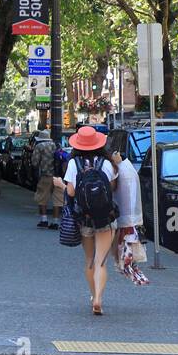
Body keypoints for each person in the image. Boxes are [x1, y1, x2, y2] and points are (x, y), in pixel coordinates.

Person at [54, 126, 118, 315]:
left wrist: (60, 185)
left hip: (84, 218)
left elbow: (71, 192)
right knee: (101, 261)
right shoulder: (107, 164)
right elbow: (112, 188)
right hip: (106, 218)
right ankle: (99, 298)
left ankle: (93, 296)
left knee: (89, 259)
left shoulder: (74, 164)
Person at [106, 131, 149, 287]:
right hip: (124, 219)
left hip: (120, 220)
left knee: (97, 260)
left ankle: (96, 297)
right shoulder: (127, 169)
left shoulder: (123, 171)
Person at [30, 131, 61, 228]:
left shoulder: (40, 146)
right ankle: (55, 222)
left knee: (42, 197)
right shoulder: (56, 145)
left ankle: (44, 220)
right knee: (57, 200)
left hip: (45, 175)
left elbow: (34, 162)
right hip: (58, 177)